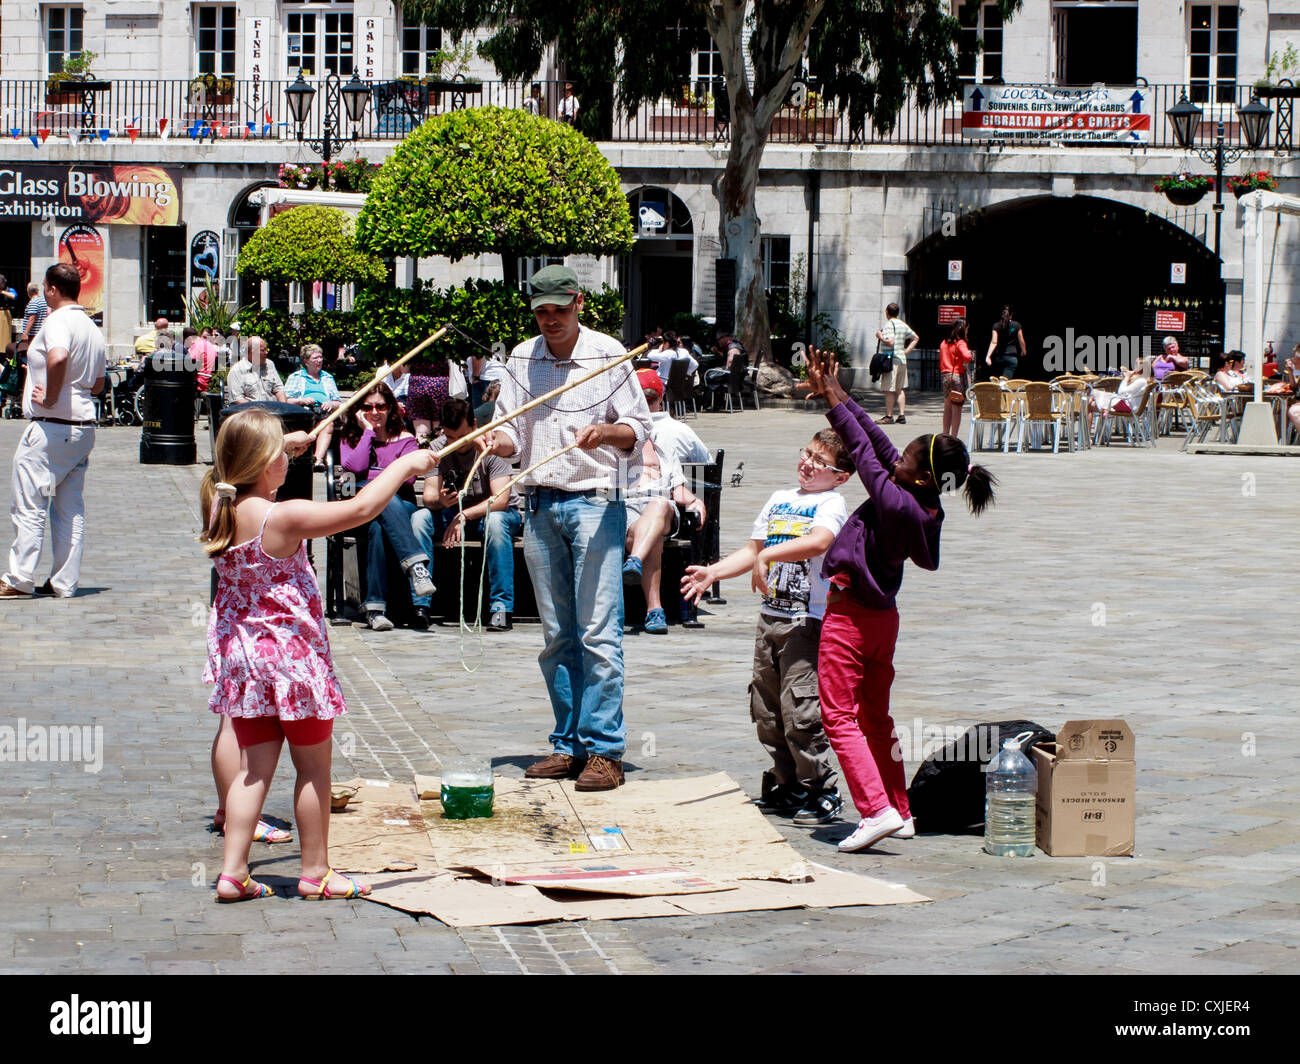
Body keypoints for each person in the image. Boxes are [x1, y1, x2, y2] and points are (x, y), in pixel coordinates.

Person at [201, 406, 437, 901]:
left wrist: (290, 443)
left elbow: (247, 461)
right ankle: (316, 873)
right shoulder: (283, 516)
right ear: (268, 463)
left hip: (245, 660)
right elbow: (359, 510)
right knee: (313, 769)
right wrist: (405, 463)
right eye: (279, 452)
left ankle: (233, 872)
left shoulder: (220, 505)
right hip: (292, 661)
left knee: (253, 770)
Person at [804, 347, 997, 852]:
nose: (898, 458)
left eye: (907, 459)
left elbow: (864, 453)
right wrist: (836, 391)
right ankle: (901, 810)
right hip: (882, 620)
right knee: (876, 718)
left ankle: (873, 810)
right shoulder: (921, 497)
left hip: (849, 617)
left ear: (922, 476)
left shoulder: (894, 499)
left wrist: (832, 402)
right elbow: (877, 440)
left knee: (838, 716)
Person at [475, 265, 651, 791]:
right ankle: (569, 744)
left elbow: (638, 430)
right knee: (556, 635)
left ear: (578, 303)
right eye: (542, 311)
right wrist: (496, 443)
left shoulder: (608, 355)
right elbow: (510, 431)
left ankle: (605, 750)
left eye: (559, 309)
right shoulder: (522, 358)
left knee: (598, 630)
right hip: (540, 502)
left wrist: (607, 433)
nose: (550, 320)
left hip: (596, 501)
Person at [682, 428, 851, 826]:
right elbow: (752, 550)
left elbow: (820, 542)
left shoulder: (832, 503)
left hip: (805, 621)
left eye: (819, 462)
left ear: (840, 476)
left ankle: (821, 788)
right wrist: (713, 571)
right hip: (770, 617)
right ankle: (786, 780)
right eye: (806, 453)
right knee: (767, 706)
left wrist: (770, 555)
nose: (807, 464)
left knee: (801, 709)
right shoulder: (780, 499)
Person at [0, 264, 106, 600]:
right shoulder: (91, 327)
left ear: (51, 289)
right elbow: (99, 383)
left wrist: (49, 396)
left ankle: (19, 578)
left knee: (30, 502)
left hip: (52, 425)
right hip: (82, 426)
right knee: (70, 507)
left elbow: (58, 357)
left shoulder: (58, 320)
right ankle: (64, 581)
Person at [414, 398, 524, 632]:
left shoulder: (490, 446)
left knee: (494, 523)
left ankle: (501, 607)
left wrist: (464, 514)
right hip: (455, 515)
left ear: (473, 424)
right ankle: (420, 605)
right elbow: (429, 496)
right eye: (449, 438)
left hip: (500, 515)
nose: (454, 444)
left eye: (460, 438)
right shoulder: (438, 447)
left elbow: (500, 500)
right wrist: (440, 501)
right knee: (420, 518)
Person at [339, 383, 436, 631]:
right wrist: (368, 433)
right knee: (378, 512)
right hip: (360, 511)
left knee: (381, 508)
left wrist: (373, 478)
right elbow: (354, 468)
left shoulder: (405, 440)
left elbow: (409, 478)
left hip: (400, 508)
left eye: (380, 406)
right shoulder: (350, 438)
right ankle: (415, 567)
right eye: (367, 407)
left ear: (390, 408)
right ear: (359, 411)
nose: (375, 411)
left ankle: (375, 609)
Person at [621, 372, 706, 635]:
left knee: (658, 505)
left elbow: (677, 490)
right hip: (628, 510)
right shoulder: (616, 442)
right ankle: (654, 610)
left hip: (661, 505)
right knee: (653, 533)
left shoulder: (663, 446)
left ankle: (634, 560)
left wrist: (696, 502)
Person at [284, 342, 343, 468]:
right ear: (306, 361)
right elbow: (286, 400)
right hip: (304, 412)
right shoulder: (295, 377)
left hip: (324, 412)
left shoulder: (328, 377)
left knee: (328, 423)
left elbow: (338, 402)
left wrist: (331, 403)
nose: (319, 360)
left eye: (321, 357)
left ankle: (317, 459)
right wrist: (301, 400)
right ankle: (296, 457)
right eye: (315, 358)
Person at [875, 302, 917, 424]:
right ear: (897, 313)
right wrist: (906, 351)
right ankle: (902, 415)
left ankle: (889, 416)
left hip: (891, 361)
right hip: (902, 360)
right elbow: (915, 337)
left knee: (889, 389)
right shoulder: (902, 324)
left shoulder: (889, 324)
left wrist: (880, 336)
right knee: (900, 389)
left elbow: (891, 341)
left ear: (887, 312)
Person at [939, 317, 974, 437]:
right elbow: (968, 356)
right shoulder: (960, 343)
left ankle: (945, 434)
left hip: (945, 376)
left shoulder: (944, 342)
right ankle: (954, 437)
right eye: (967, 329)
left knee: (947, 407)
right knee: (956, 410)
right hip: (957, 376)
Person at [225, 335, 287, 404]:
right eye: (263, 350)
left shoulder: (269, 364)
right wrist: (260, 411)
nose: (266, 352)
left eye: (266, 349)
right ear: (253, 352)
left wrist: (284, 407)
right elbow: (238, 400)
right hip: (249, 412)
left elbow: (279, 389)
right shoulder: (236, 371)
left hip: (273, 411)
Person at [985, 304, 1027, 381]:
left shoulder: (996, 326)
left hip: (999, 358)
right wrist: (1023, 350)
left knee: (997, 381)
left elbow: (994, 342)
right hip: (1011, 358)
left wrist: (988, 356)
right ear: (1011, 315)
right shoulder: (1016, 325)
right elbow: (1021, 340)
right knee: (1004, 383)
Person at [184, 327, 220, 395]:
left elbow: (190, 364)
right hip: (209, 381)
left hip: (199, 382)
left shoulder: (197, 345)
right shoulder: (211, 346)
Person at [21, 283, 49, 349]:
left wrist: (25, 333)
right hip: (40, 332)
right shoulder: (43, 300)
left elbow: (31, 319)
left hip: (33, 334)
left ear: (28, 291)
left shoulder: (34, 302)